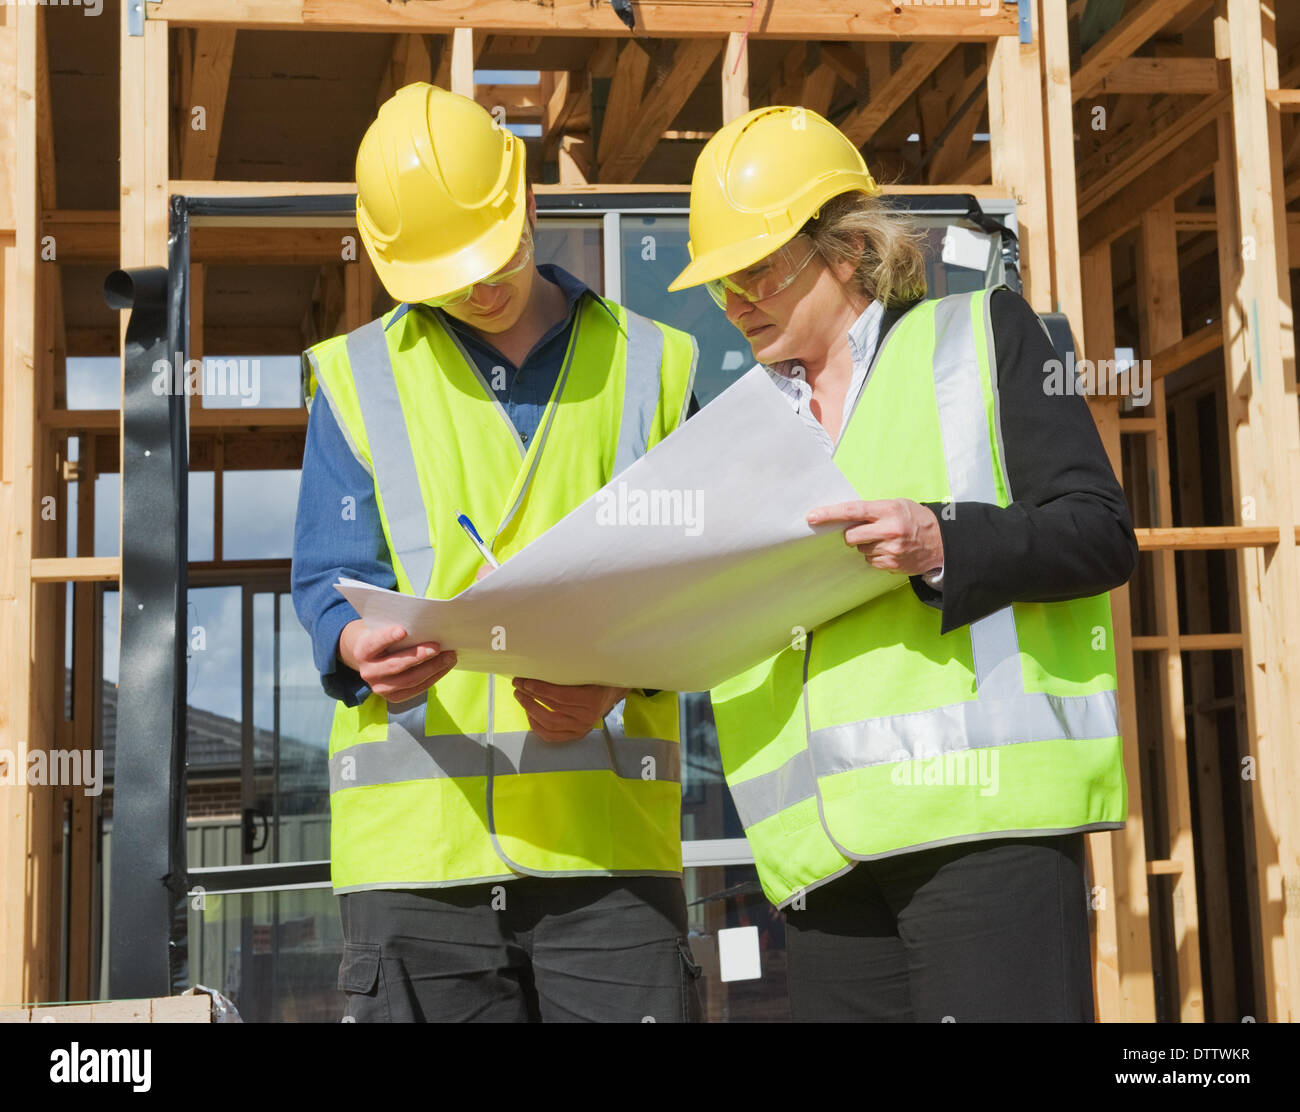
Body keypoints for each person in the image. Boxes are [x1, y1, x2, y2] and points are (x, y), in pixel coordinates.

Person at [667, 105, 1138, 1022]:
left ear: (844, 249)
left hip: (982, 835)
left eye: (756, 269)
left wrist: (943, 539)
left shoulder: (981, 336)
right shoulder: (733, 428)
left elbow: (1097, 532)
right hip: (823, 862)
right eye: (720, 283)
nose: (735, 302)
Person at [291, 82, 703, 1022]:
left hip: (609, 853)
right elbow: (326, 580)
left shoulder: (656, 364)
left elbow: (703, 582)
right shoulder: (356, 380)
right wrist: (358, 646)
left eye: (498, 251)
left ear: (524, 198)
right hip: (419, 859)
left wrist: (626, 675)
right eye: (451, 273)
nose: (483, 285)